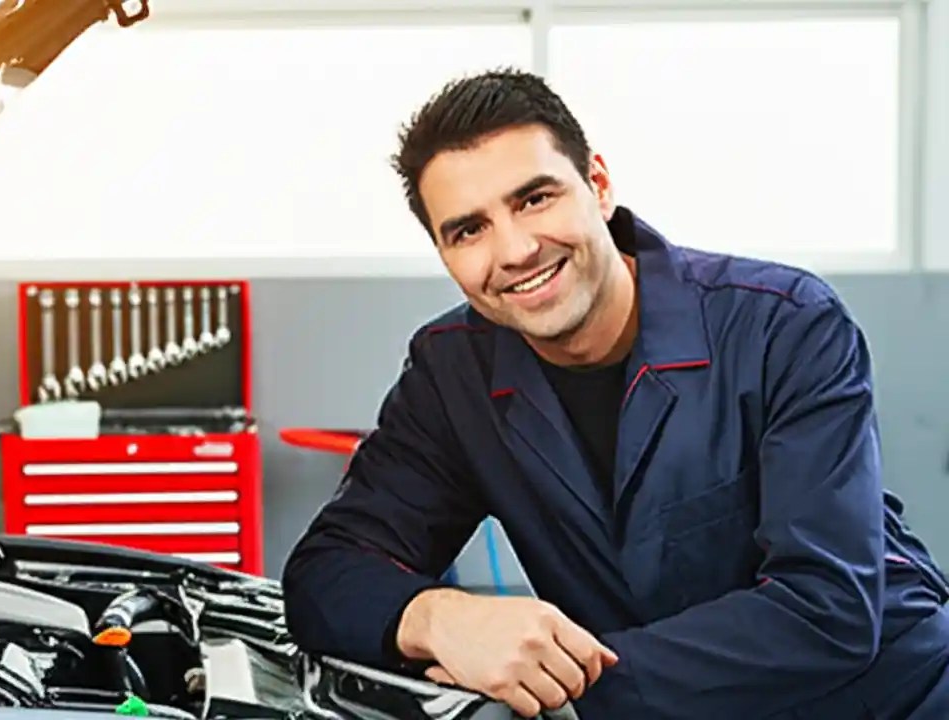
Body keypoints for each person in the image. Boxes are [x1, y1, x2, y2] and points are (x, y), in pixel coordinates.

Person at [280, 68, 949, 719]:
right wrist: (436, 617)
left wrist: (560, 688)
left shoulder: (786, 323)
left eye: (534, 199)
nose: (513, 250)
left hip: (893, 694)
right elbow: (326, 571)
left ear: (597, 185)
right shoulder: (452, 373)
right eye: (468, 230)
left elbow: (825, 607)